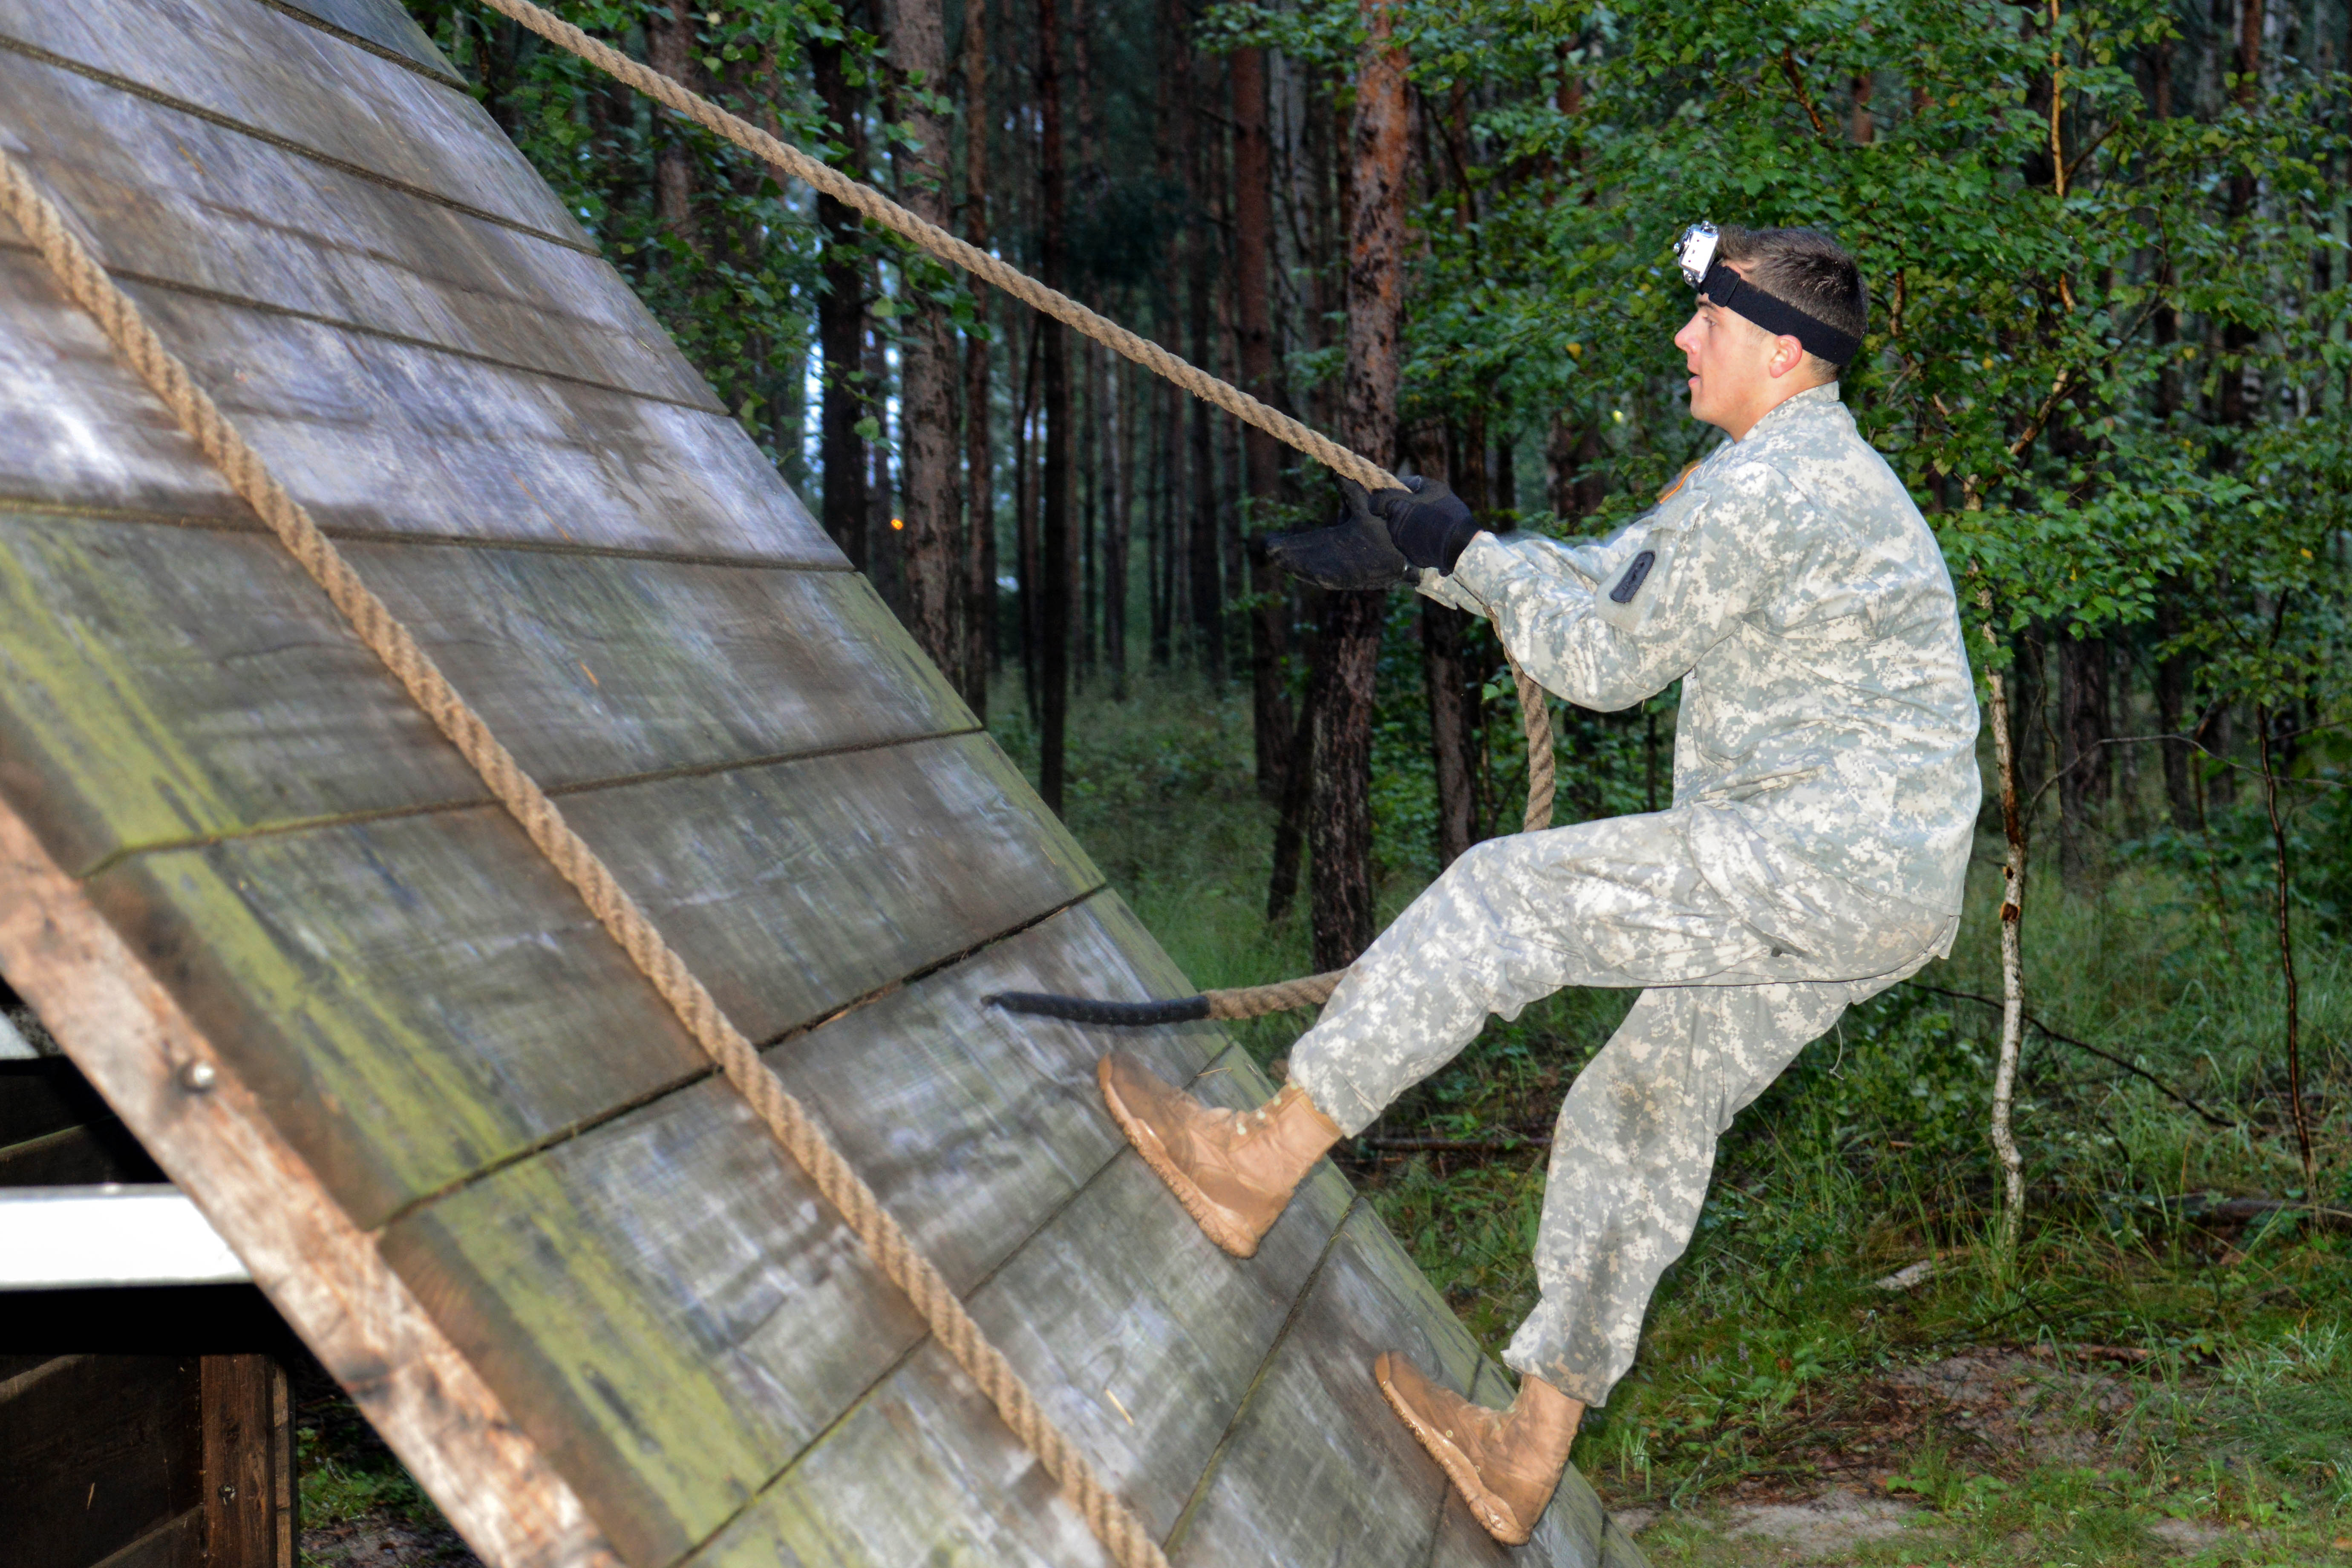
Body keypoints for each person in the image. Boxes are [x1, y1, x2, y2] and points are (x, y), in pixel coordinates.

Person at [1094, 225, 1981, 1545]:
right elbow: (1620, 575)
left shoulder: (1777, 492)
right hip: (1879, 887)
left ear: (1782, 351)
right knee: (1644, 1101)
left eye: (1712, 326)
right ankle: (1527, 1448)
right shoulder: (1775, 471)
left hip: (1821, 854)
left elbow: (1605, 664)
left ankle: (1258, 1161)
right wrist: (1436, 557)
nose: (1687, 341)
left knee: (1505, 897)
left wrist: (1466, 559)